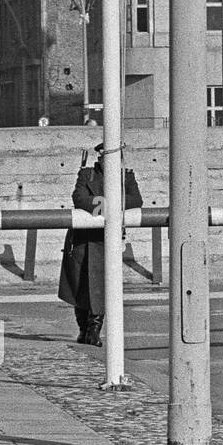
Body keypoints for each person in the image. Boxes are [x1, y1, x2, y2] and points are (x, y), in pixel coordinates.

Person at [58, 143, 143, 346]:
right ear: (100, 159)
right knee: (78, 285)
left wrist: (106, 206)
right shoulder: (87, 175)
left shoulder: (126, 176)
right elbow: (79, 199)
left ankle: (94, 331)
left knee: (100, 286)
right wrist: (110, 206)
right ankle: (83, 329)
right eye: (106, 158)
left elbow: (136, 200)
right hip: (81, 238)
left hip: (104, 241)